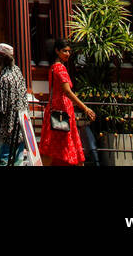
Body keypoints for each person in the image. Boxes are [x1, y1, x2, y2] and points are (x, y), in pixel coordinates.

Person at [39, 38, 95, 168]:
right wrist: (85, 108)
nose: (68, 54)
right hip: (62, 111)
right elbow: (67, 92)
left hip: (56, 110)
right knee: (66, 145)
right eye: (65, 51)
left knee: (52, 147)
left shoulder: (53, 68)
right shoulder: (60, 68)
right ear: (57, 51)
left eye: (69, 51)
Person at [0, 42, 28, 166]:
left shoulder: (4, 78)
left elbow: (2, 108)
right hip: (21, 126)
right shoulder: (17, 71)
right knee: (18, 161)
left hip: (8, 129)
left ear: (2, 59)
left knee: (4, 160)